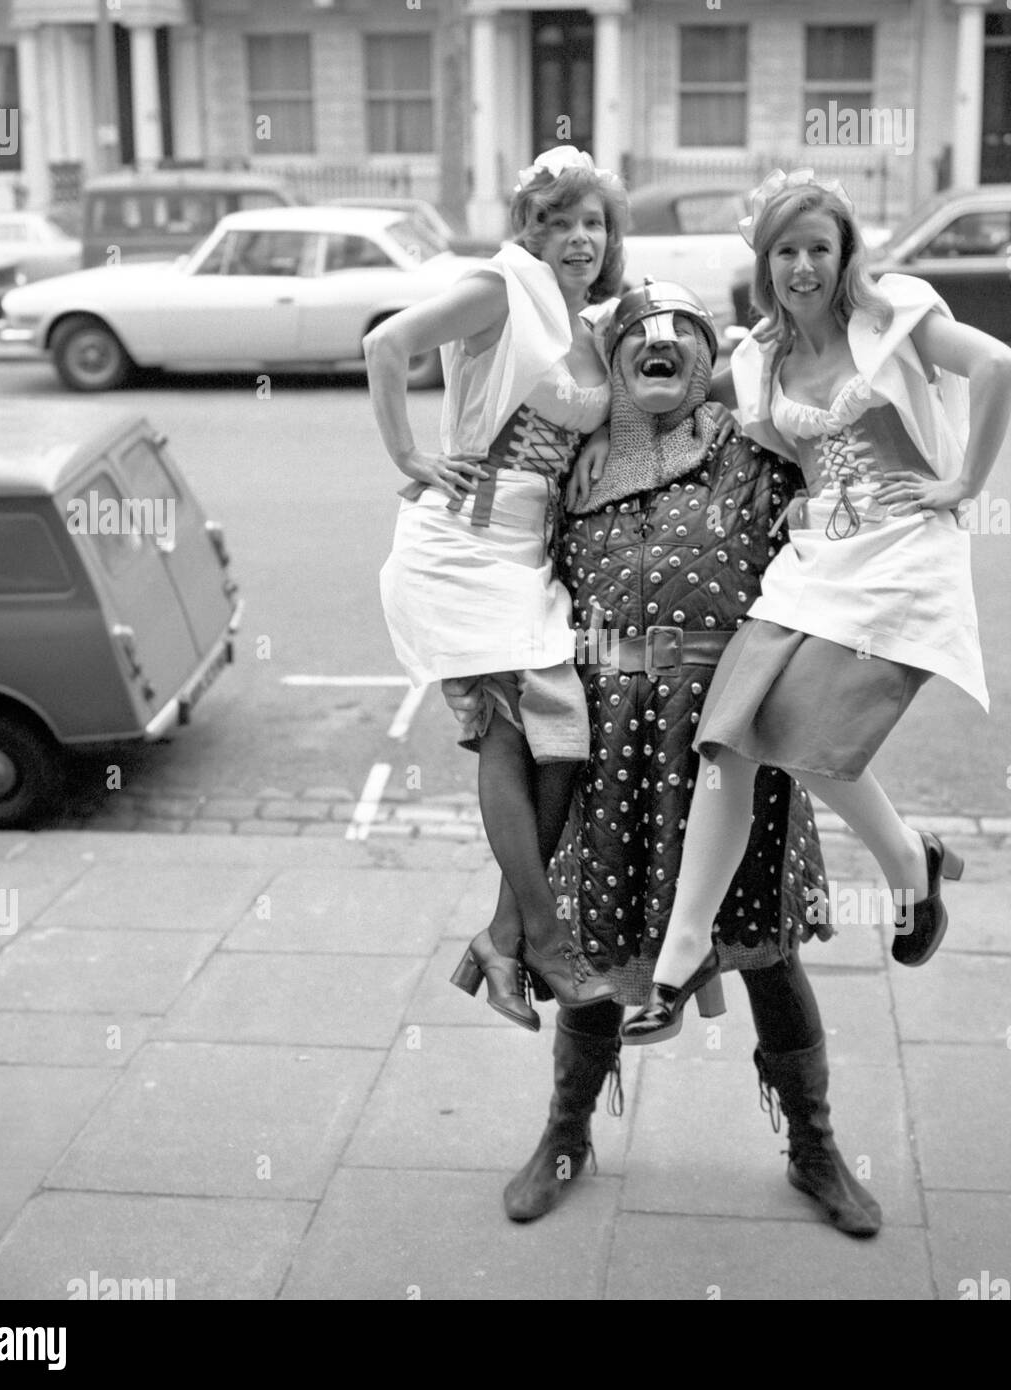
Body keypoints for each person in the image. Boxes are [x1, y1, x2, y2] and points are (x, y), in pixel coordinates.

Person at [469, 280, 882, 1237]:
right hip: (606, 730)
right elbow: (492, 551)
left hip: (728, 729)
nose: (660, 351)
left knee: (764, 950)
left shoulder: (754, 449)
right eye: (640, 341)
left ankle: (814, 1147)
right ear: (612, 363)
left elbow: (845, 519)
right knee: (593, 947)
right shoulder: (573, 463)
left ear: (707, 358)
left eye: (681, 339)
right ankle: (565, 1133)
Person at [622, 169, 1011, 1043]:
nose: (803, 265)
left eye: (819, 248)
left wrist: (965, 483)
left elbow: (999, 364)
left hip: (904, 556)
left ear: (844, 256)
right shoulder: (762, 356)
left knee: (798, 736)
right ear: (764, 263)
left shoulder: (895, 319)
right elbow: (677, 393)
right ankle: (676, 965)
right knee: (727, 734)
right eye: (786, 251)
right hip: (820, 560)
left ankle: (910, 865)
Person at [365, 146, 626, 1018]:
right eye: (560, 222)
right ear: (529, 228)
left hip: (523, 554)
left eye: (593, 223)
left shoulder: (586, 316)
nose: (579, 238)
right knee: (520, 738)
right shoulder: (499, 287)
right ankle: (541, 941)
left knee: (562, 741)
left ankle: (502, 937)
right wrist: (407, 454)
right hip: (462, 546)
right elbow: (386, 343)